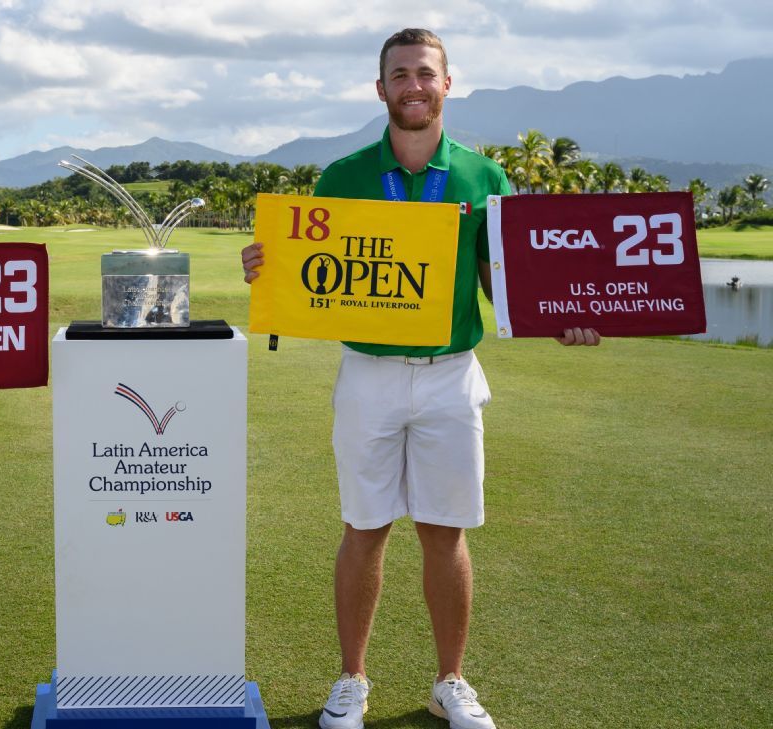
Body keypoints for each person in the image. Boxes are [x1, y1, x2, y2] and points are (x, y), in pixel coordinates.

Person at [240, 28, 600, 729]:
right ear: (381, 89)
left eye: (425, 73)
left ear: (447, 83)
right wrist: (266, 267)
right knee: (364, 528)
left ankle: (450, 681)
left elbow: (505, 283)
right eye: (400, 74)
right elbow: (310, 273)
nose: (414, 85)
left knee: (445, 530)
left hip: (450, 375)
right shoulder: (340, 177)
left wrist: (559, 315)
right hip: (368, 373)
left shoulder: (484, 177)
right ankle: (352, 680)